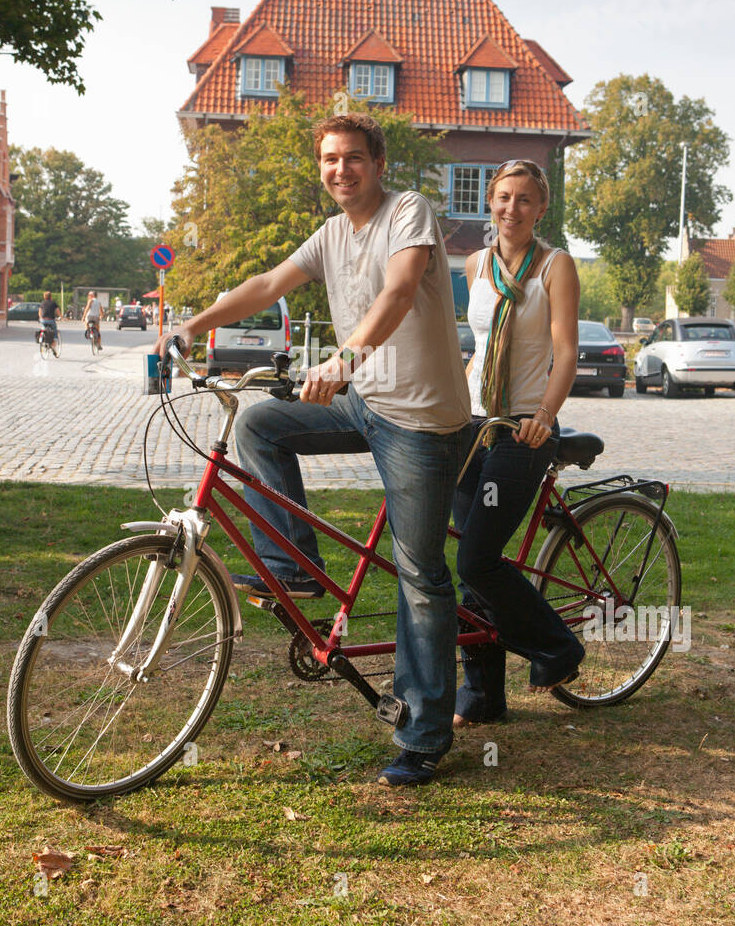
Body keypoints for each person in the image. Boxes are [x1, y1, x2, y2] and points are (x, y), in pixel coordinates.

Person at [158, 113, 471, 787]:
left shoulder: (408, 212)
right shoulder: (331, 233)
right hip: (366, 401)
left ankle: (424, 732)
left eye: (353, 158)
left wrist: (344, 358)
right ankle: (293, 565)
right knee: (262, 423)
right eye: (329, 160)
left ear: (378, 163)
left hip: (420, 417)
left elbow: (401, 288)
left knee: (418, 572)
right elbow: (269, 284)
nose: (340, 170)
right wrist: (192, 322)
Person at [452, 158, 584, 726]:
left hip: (521, 430)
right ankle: (483, 698)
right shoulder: (474, 263)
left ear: (541, 207)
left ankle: (557, 647)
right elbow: (474, 346)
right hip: (470, 425)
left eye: (525, 199)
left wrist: (545, 417)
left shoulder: (555, 266)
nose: (512, 208)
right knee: (470, 565)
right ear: (490, 201)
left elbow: (567, 353)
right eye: (504, 197)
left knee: (477, 558)